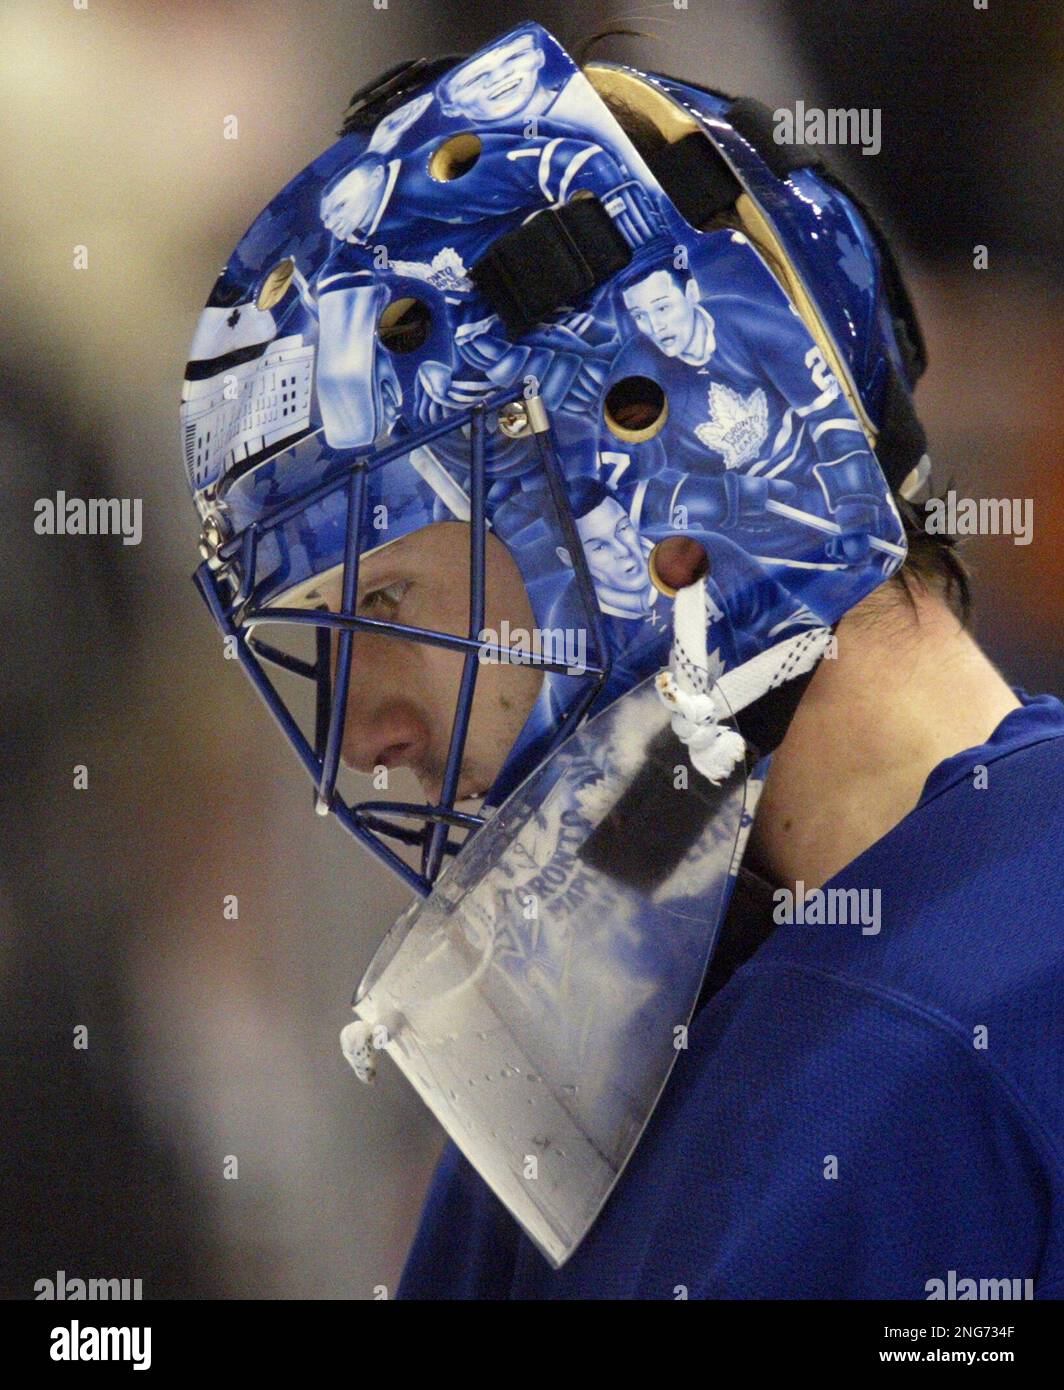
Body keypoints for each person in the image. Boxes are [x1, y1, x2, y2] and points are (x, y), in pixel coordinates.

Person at [181, 23, 1064, 1297]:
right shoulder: (584, 1085)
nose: (363, 737)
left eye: (387, 596)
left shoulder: (980, 1027)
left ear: (660, 484)